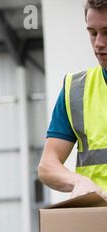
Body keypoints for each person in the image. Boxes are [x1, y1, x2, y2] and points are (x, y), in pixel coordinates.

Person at [38, 0, 107, 201]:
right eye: (93, 33)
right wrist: (78, 181)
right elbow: (47, 166)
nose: (99, 43)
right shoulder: (75, 89)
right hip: (97, 221)